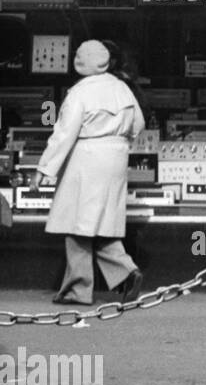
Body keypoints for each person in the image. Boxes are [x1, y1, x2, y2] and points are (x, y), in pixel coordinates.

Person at [34, 40, 146, 306]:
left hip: (86, 160)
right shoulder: (121, 88)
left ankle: (78, 289)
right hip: (116, 158)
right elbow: (139, 123)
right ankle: (126, 271)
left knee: (76, 225)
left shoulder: (79, 93)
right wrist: (120, 141)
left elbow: (64, 135)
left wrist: (44, 168)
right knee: (102, 224)